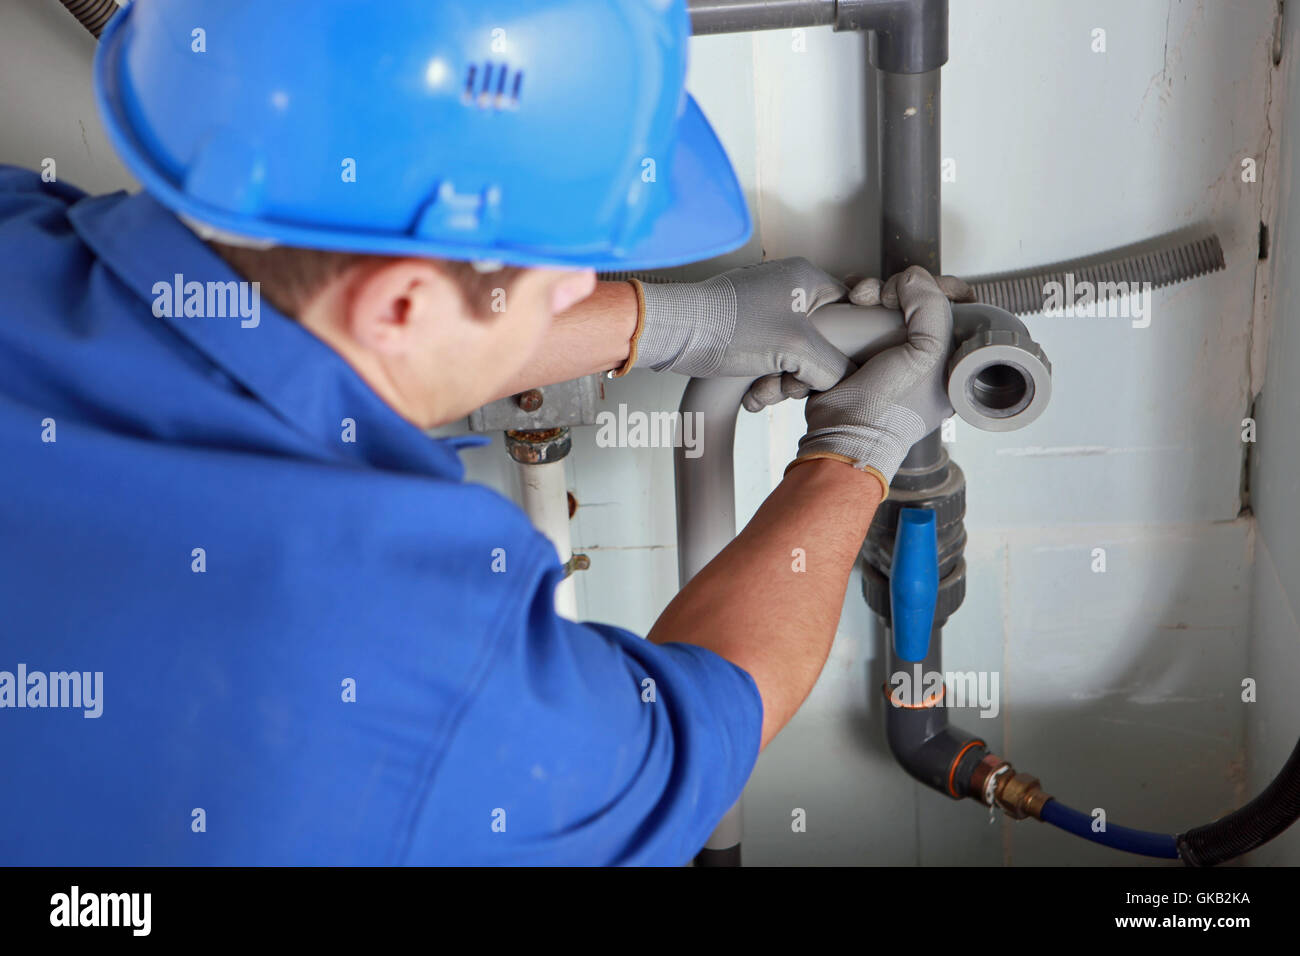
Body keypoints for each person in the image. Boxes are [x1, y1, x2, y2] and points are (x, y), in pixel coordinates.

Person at [0, 0, 963, 864]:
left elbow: (343, 328)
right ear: (407, 301)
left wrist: (680, 323)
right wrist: (855, 454)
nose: (579, 293)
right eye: (566, 275)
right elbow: (694, 728)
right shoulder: (415, 668)